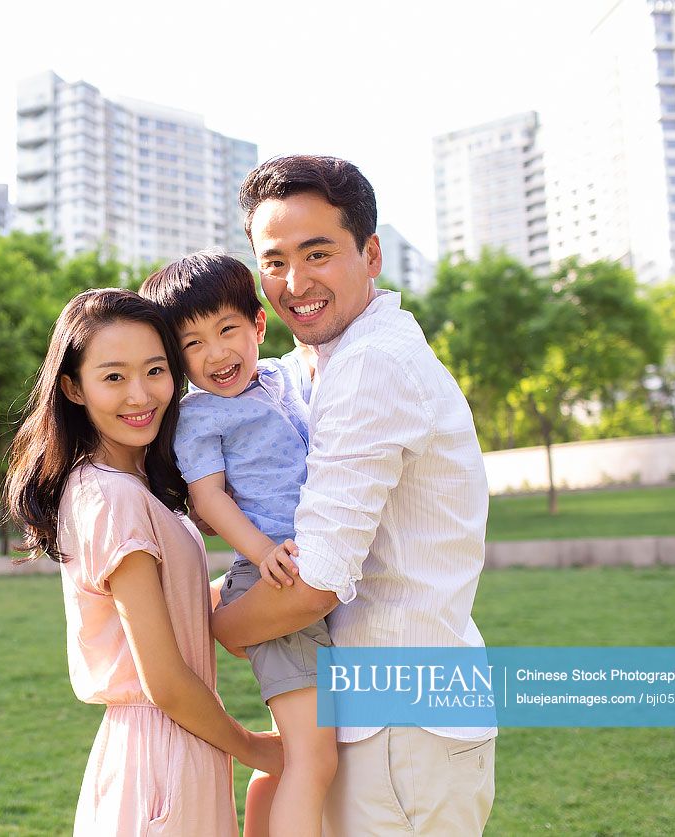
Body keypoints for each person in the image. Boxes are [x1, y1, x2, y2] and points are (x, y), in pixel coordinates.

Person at [211, 155, 497, 835]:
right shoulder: (322, 363)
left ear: (369, 253)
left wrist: (209, 629)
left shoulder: (372, 366)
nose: (294, 282)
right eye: (273, 260)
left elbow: (313, 585)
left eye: (317, 253)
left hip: (399, 727)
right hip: (380, 715)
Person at [3, 288, 283, 836]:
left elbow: (174, 614)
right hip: (160, 755)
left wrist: (268, 577)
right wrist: (256, 748)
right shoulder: (112, 498)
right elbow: (165, 680)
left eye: (155, 370)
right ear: (72, 388)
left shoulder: (135, 490)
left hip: (175, 750)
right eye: (113, 377)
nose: (140, 395)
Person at [140, 251, 337, 837]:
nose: (216, 352)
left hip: (303, 564)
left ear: (258, 324)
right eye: (193, 343)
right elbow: (209, 499)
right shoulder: (200, 417)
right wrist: (260, 554)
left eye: (227, 329)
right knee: (314, 758)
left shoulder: (278, 377)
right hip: (274, 575)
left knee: (296, 751)